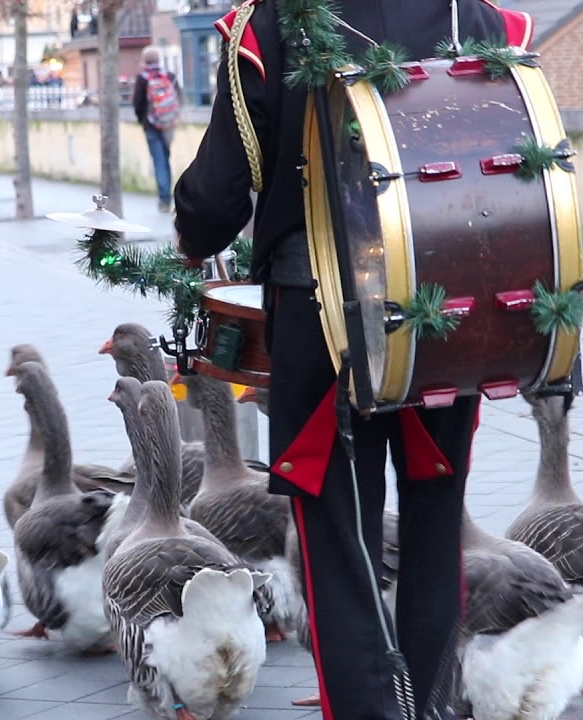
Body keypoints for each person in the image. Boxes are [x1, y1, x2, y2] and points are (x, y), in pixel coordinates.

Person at [171, 2, 534, 719]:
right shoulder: (478, 17)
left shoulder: (272, 22)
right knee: (435, 524)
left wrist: (191, 238)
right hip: (447, 302)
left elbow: (217, 193)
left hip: (317, 314)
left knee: (341, 542)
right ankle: (427, 705)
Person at [132, 46, 181, 213]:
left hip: (151, 125)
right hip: (168, 124)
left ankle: (164, 200)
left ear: (144, 60)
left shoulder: (142, 78)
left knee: (159, 160)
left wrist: (142, 120)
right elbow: (178, 97)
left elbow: (138, 103)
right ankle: (171, 194)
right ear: (158, 59)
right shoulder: (169, 75)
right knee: (166, 158)